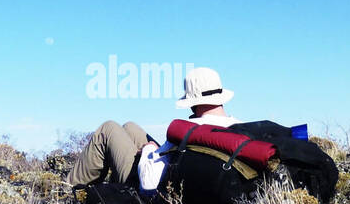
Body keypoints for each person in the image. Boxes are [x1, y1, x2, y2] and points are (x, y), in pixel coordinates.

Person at [68, 66, 239, 189]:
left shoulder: (190, 131)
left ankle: (69, 190)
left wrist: (150, 151)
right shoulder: (237, 128)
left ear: (193, 103)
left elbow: (149, 181)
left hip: (152, 187)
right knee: (130, 127)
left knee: (108, 129)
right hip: (197, 177)